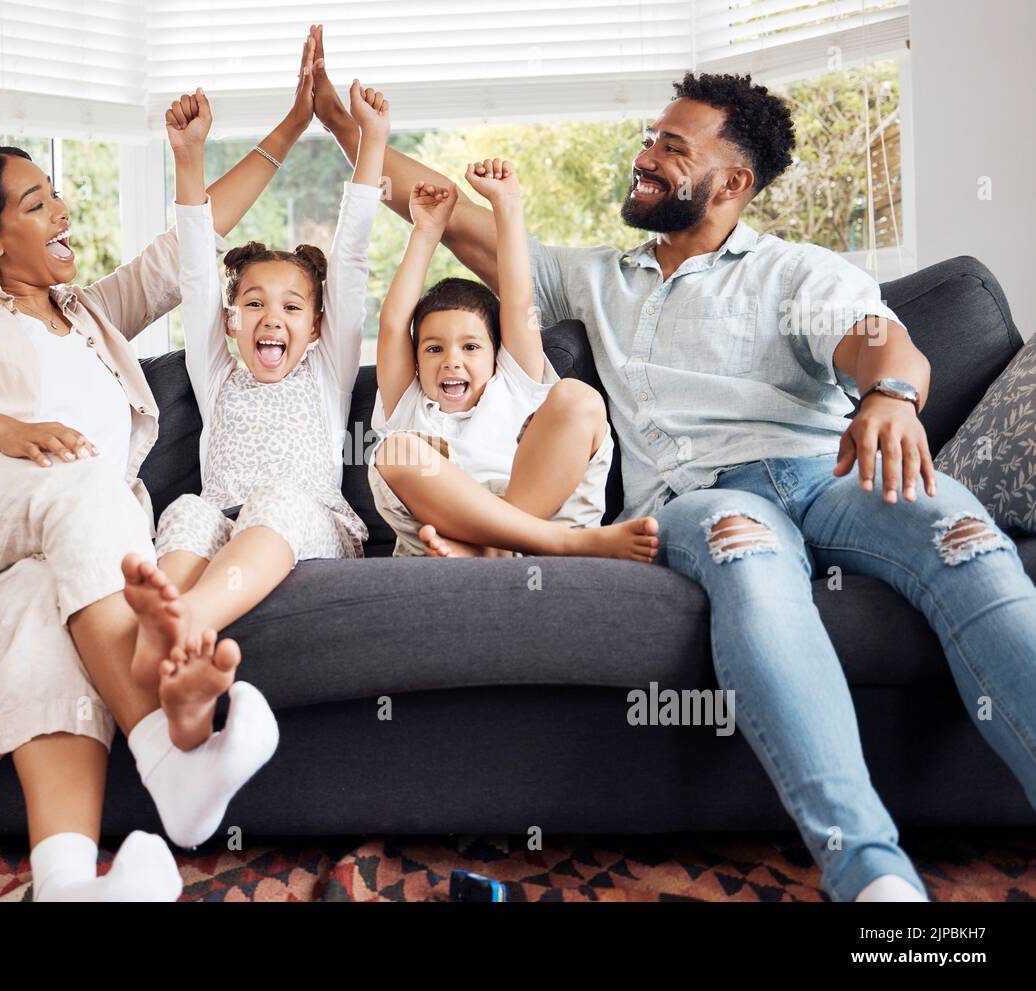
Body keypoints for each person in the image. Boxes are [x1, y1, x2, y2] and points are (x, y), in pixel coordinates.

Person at [309, 23, 1036, 902]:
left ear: (733, 182)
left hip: (830, 475)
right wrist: (346, 129)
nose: (644, 155)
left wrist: (890, 397)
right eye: (649, 136)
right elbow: (452, 215)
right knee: (752, 567)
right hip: (706, 499)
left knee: (966, 534)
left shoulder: (793, 272)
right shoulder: (599, 277)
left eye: (670, 146)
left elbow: (883, 343)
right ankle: (873, 878)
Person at [0, 35, 324, 903]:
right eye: (37, 201)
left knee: (47, 624)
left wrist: (283, 130)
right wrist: (0, 429)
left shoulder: (91, 313)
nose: (62, 207)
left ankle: (64, 879)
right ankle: (170, 760)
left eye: (54, 191)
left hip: (34, 542)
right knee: (84, 485)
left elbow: (189, 248)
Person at [117, 76, 390, 824]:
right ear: (232, 321)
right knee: (187, 513)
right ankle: (162, 638)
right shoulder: (216, 376)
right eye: (256, 304)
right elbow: (197, 266)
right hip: (227, 522)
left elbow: (358, 257)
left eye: (293, 306)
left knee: (268, 501)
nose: (273, 318)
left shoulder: (327, 374)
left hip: (307, 524)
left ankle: (186, 624)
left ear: (316, 325)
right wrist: (189, 157)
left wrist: (372, 146)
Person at [368, 158, 659, 561]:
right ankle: (525, 545)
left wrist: (507, 204)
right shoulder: (409, 404)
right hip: (448, 527)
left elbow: (520, 297)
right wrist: (426, 230)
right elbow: (393, 323)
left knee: (577, 398)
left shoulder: (515, 380)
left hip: (533, 510)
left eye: (470, 347)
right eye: (434, 348)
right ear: (415, 361)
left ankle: (493, 547)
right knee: (394, 449)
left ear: (497, 354)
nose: (452, 361)